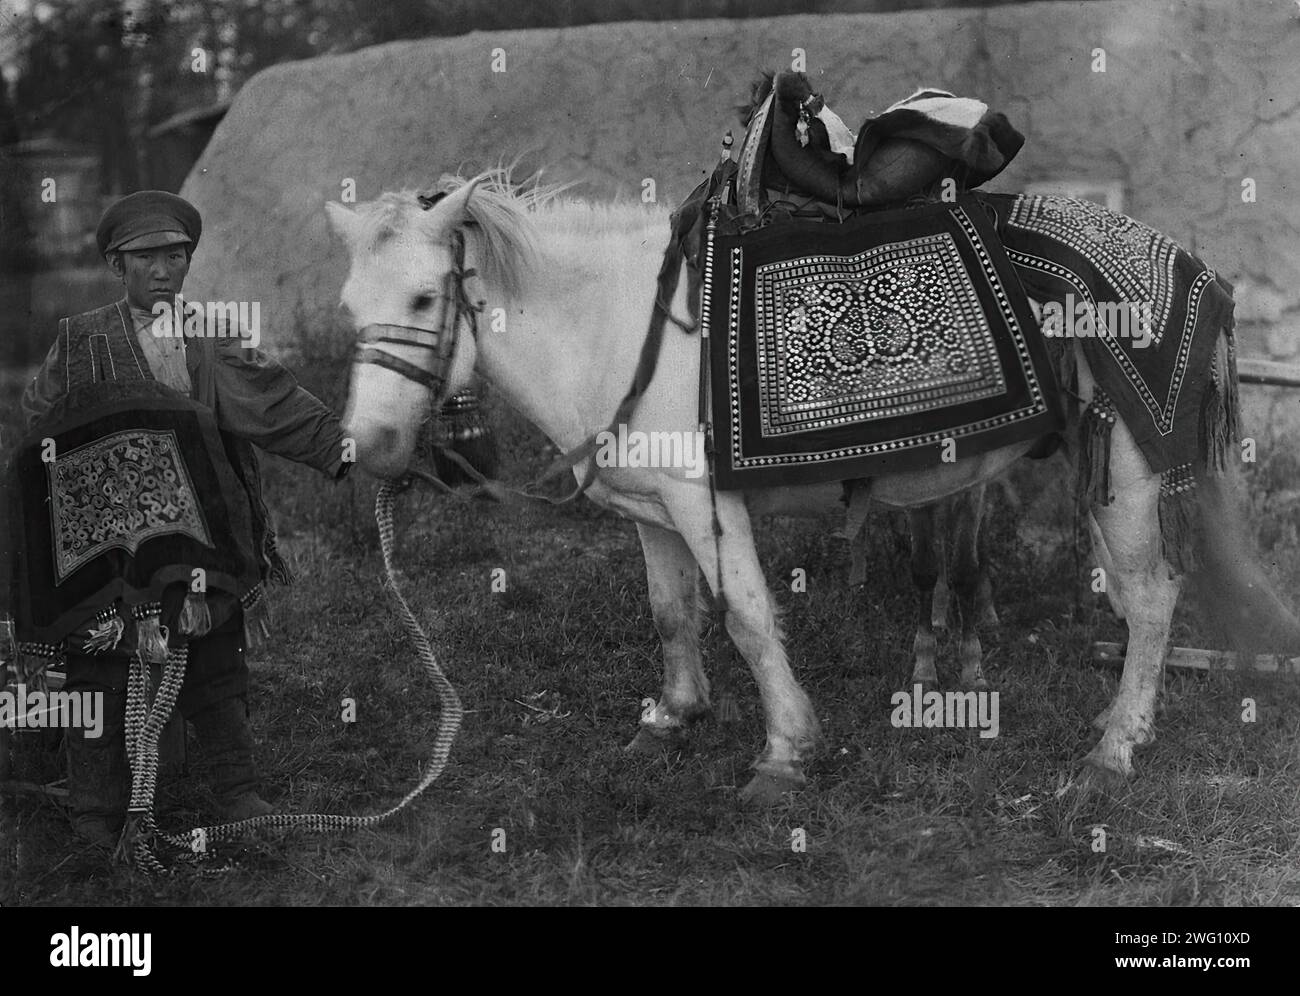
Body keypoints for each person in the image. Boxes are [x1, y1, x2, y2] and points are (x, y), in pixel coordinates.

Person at [17, 190, 351, 847]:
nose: (164, 270)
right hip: (102, 543)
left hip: (200, 534)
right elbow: (38, 427)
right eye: (147, 258)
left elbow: (273, 403)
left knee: (213, 653)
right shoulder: (78, 341)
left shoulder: (209, 338)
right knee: (99, 670)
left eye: (176, 256)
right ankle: (94, 813)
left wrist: (349, 446)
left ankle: (235, 791)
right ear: (118, 265)